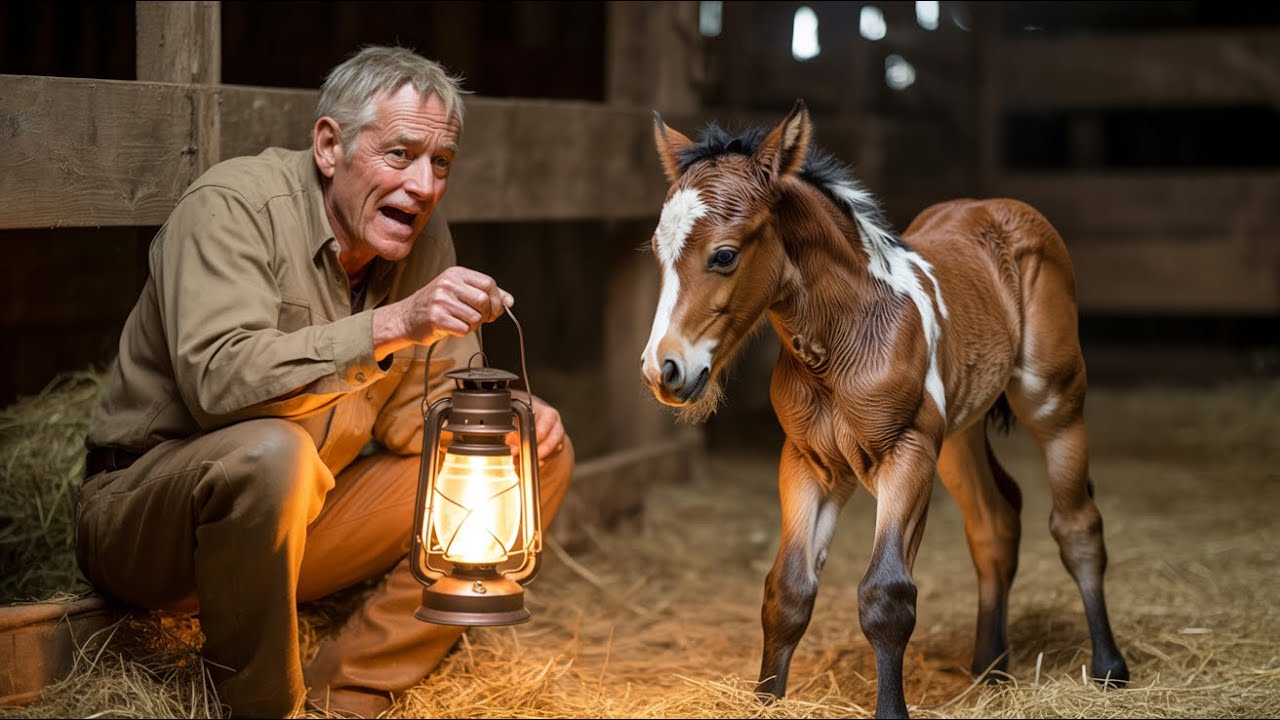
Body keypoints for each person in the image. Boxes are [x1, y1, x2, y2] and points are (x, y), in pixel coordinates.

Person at [75, 45, 575, 718]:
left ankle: (345, 695)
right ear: (330, 146)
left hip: (295, 533)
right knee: (273, 454)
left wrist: (502, 413)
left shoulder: (423, 240)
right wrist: (393, 325)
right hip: (149, 527)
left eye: (441, 162)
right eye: (400, 154)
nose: (424, 186)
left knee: (528, 451)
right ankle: (264, 710)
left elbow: (417, 419)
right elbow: (217, 383)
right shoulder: (233, 206)